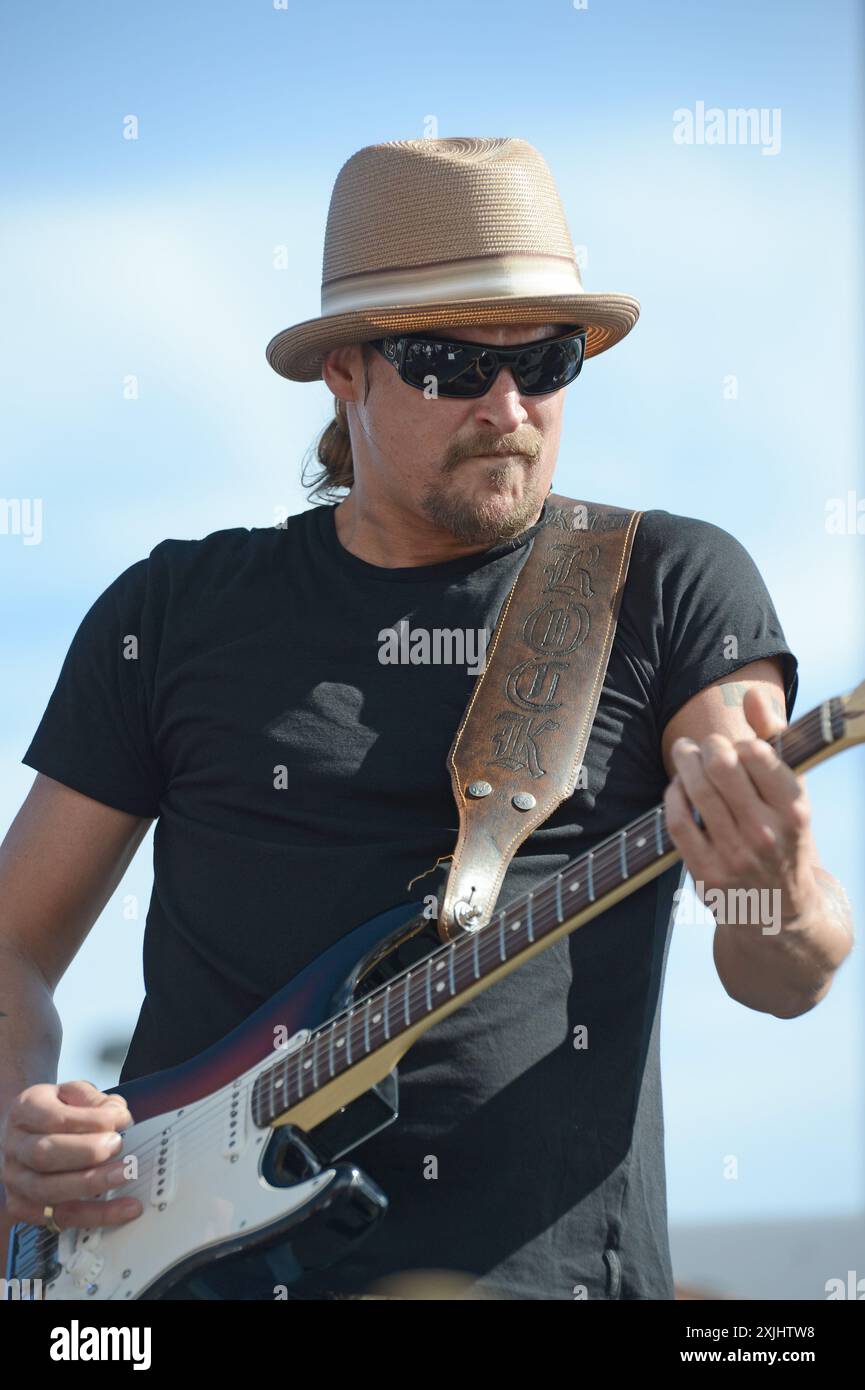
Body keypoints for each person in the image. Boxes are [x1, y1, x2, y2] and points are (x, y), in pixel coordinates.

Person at [0, 138, 853, 1301]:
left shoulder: (667, 582)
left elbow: (782, 974)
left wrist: (780, 877)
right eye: (450, 364)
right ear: (343, 373)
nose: (508, 407)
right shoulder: (173, 607)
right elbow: (13, 942)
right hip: (165, 1277)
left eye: (546, 361)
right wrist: (19, 1129)